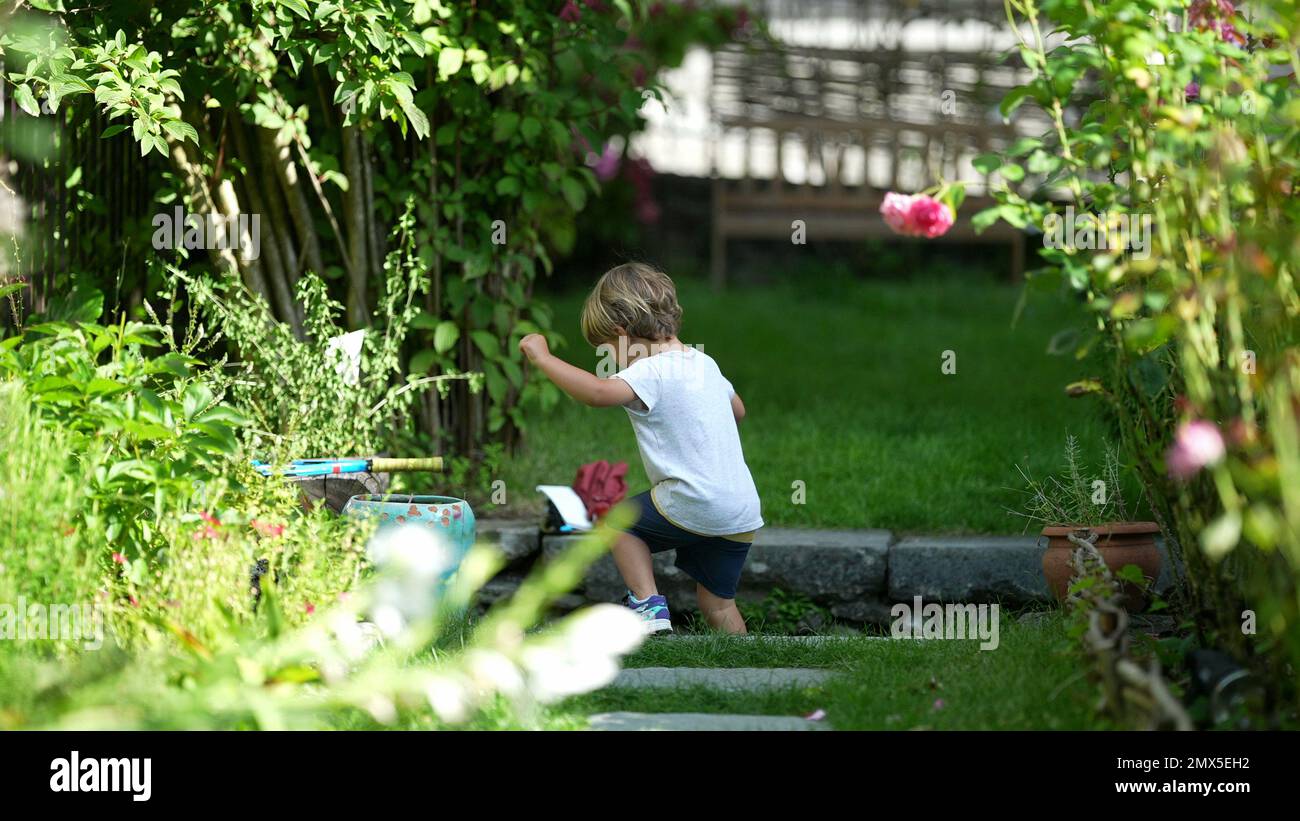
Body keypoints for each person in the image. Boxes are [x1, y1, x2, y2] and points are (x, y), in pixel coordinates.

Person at [518, 262, 762, 634]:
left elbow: (598, 393)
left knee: (619, 523)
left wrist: (544, 359)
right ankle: (748, 667)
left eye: (607, 350)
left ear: (621, 333)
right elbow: (739, 410)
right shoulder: (704, 363)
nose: (612, 362)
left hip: (695, 500)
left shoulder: (651, 370)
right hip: (740, 509)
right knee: (718, 603)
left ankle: (648, 605)